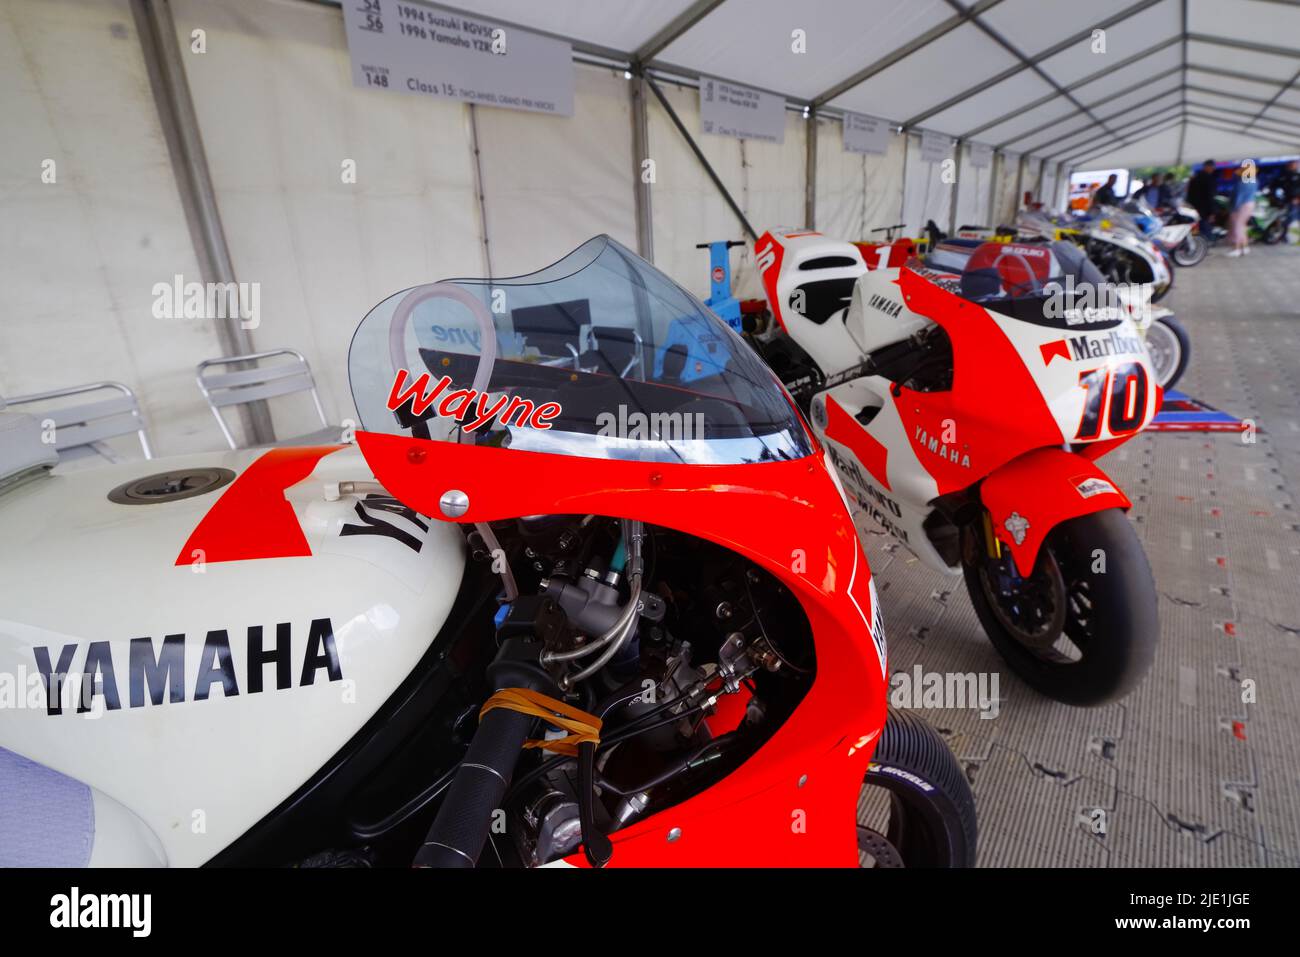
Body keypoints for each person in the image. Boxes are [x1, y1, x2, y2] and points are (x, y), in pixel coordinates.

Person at [1225, 164, 1258, 258]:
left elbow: (1238, 198)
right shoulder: (1254, 181)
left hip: (1241, 205)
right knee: (1242, 226)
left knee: (1237, 226)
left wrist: (1233, 208)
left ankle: (1237, 249)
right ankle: (1245, 247)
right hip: (1250, 204)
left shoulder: (1241, 183)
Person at [1186, 160, 1218, 224]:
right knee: (1205, 230)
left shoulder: (1195, 178)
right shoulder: (1209, 180)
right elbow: (1210, 196)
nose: (1213, 168)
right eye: (1212, 166)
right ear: (1207, 167)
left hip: (1194, 210)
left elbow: (1189, 195)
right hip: (1205, 212)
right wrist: (1212, 212)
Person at [1281, 159, 1300, 245]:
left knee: (1291, 218)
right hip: (1290, 200)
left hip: (1295, 200)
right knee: (1289, 219)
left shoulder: (1296, 175)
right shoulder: (1286, 175)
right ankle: (1284, 236)